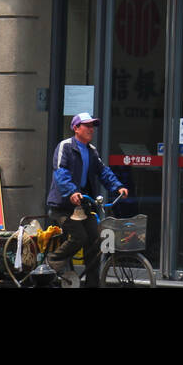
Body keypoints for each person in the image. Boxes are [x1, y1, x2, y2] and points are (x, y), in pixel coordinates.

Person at [45, 112, 128, 288]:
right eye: (87, 125)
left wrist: (117, 186)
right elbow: (60, 172)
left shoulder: (91, 151)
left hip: (81, 206)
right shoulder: (65, 147)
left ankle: (92, 283)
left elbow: (103, 171)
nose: (91, 129)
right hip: (63, 206)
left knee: (96, 240)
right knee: (79, 237)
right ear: (76, 128)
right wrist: (72, 192)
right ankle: (52, 261)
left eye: (93, 126)